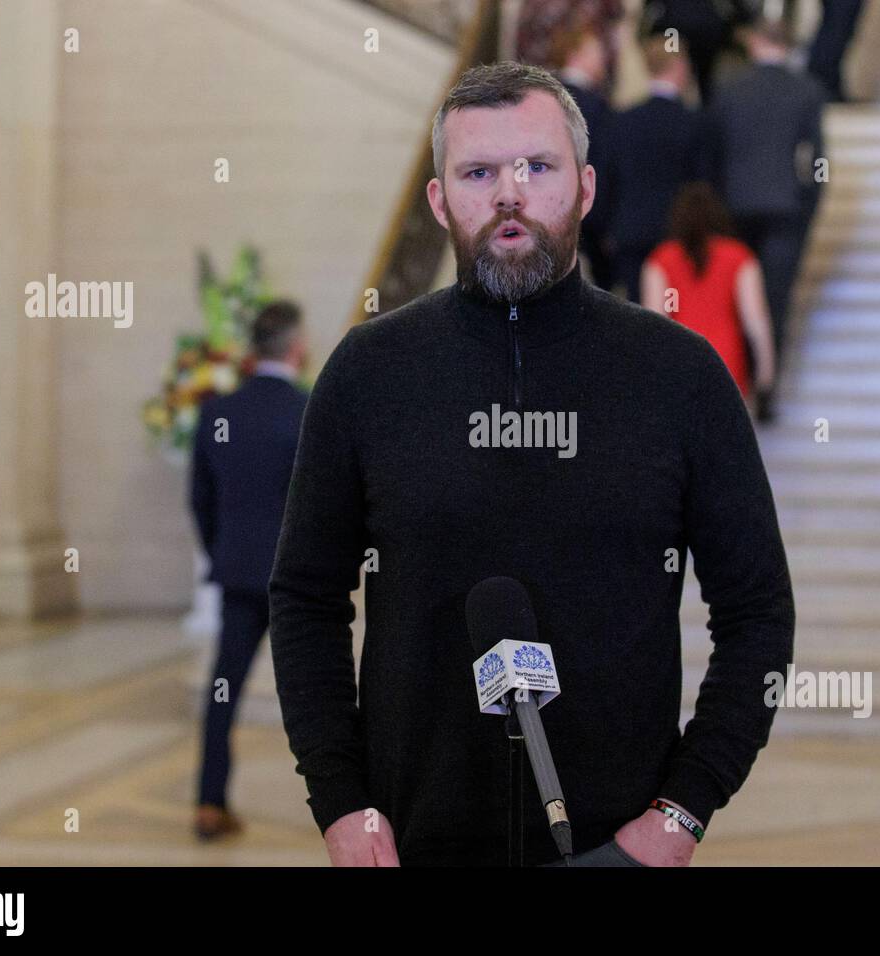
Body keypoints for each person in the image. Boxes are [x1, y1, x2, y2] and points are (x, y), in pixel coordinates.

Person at [268, 61, 794, 867]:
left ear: (585, 189)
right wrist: (340, 802)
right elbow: (306, 597)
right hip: (415, 844)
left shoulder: (680, 377)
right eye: (478, 172)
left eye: (536, 168)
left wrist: (682, 813)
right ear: (440, 199)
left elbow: (757, 612)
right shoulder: (368, 373)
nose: (508, 195)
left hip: (616, 847)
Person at [189, 300, 310, 840]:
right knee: (319, 699)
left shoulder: (219, 413)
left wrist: (224, 552)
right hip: (298, 582)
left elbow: (199, 499)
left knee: (223, 690)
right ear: (295, 347)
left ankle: (208, 804)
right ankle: (355, 812)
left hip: (238, 574)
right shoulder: (308, 409)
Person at [708, 17, 825, 421]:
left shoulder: (728, 89)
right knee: (774, 298)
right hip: (784, 208)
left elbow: (713, 157)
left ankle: (733, 386)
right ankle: (768, 388)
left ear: (754, 43)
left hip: (735, 209)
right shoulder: (807, 90)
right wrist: (807, 203)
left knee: (735, 298)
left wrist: (718, 206)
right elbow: (818, 160)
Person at [641, 180, 776, 417]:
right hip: (726, 365)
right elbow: (756, 322)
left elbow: (654, 326)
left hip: (679, 366)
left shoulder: (661, 259)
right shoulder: (739, 257)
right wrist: (765, 380)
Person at [602, 31, 718, 303]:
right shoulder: (695, 123)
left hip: (629, 232)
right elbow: (702, 185)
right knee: (676, 319)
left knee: (636, 314)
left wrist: (609, 228)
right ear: (679, 67)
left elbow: (606, 179)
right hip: (678, 235)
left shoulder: (621, 121)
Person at [548, 22, 615, 290]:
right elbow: (605, 164)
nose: (603, 59)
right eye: (595, 51)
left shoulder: (538, 99)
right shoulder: (597, 106)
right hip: (590, 217)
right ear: (575, 54)